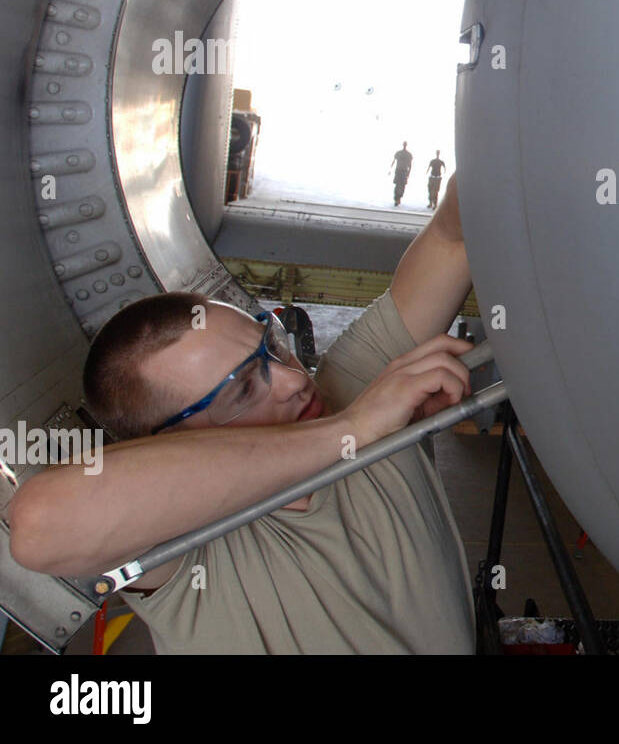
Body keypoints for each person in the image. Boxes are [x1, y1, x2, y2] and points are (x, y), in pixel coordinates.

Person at [7, 178, 479, 655]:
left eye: (271, 346)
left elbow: (454, 235)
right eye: (245, 388)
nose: (294, 381)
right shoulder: (189, 553)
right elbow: (38, 524)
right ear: (169, 440)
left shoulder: (352, 387)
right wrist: (350, 430)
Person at [390, 141, 414, 206]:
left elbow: (410, 165)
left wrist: (409, 173)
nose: (404, 145)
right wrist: (390, 169)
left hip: (404, 172)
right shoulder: (399, 153)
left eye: (405, 144)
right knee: (398, 185)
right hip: (398, 171)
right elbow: (393, 161)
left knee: (402, 186)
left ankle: (398, 198)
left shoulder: (409, 154)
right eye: (404, 144)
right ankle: (396, 199)